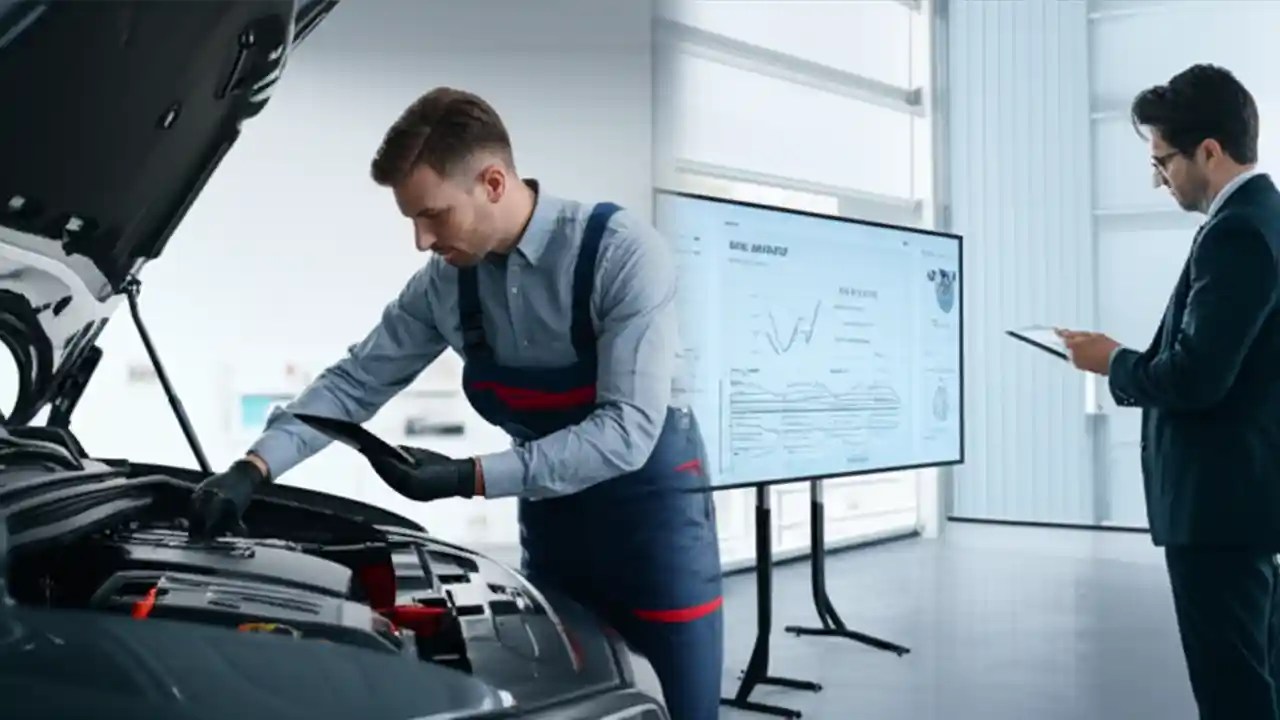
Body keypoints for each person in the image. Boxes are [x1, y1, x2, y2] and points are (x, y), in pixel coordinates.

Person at [186, 87, 724, 718]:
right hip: (556, 525)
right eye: (412, 218)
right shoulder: (445, 285)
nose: (420, 239)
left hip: (651, 522)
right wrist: (254, 468)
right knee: (571, 705)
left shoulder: (621, 253)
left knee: (679, 707)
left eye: (433, 214)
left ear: (492, 182)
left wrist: (466, 477)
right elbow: (356, 380)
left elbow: (626, 433)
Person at [1056, 64, 1280, 720]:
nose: (1159, 178)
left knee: (1231, 685)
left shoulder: (1238, 233)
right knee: (1255, 670)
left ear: (1208, 150)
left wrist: (1112, 361)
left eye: (1163, 161)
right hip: (1244, 498)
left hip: (1220, 507)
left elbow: (1195, 377)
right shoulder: (1258, 219)